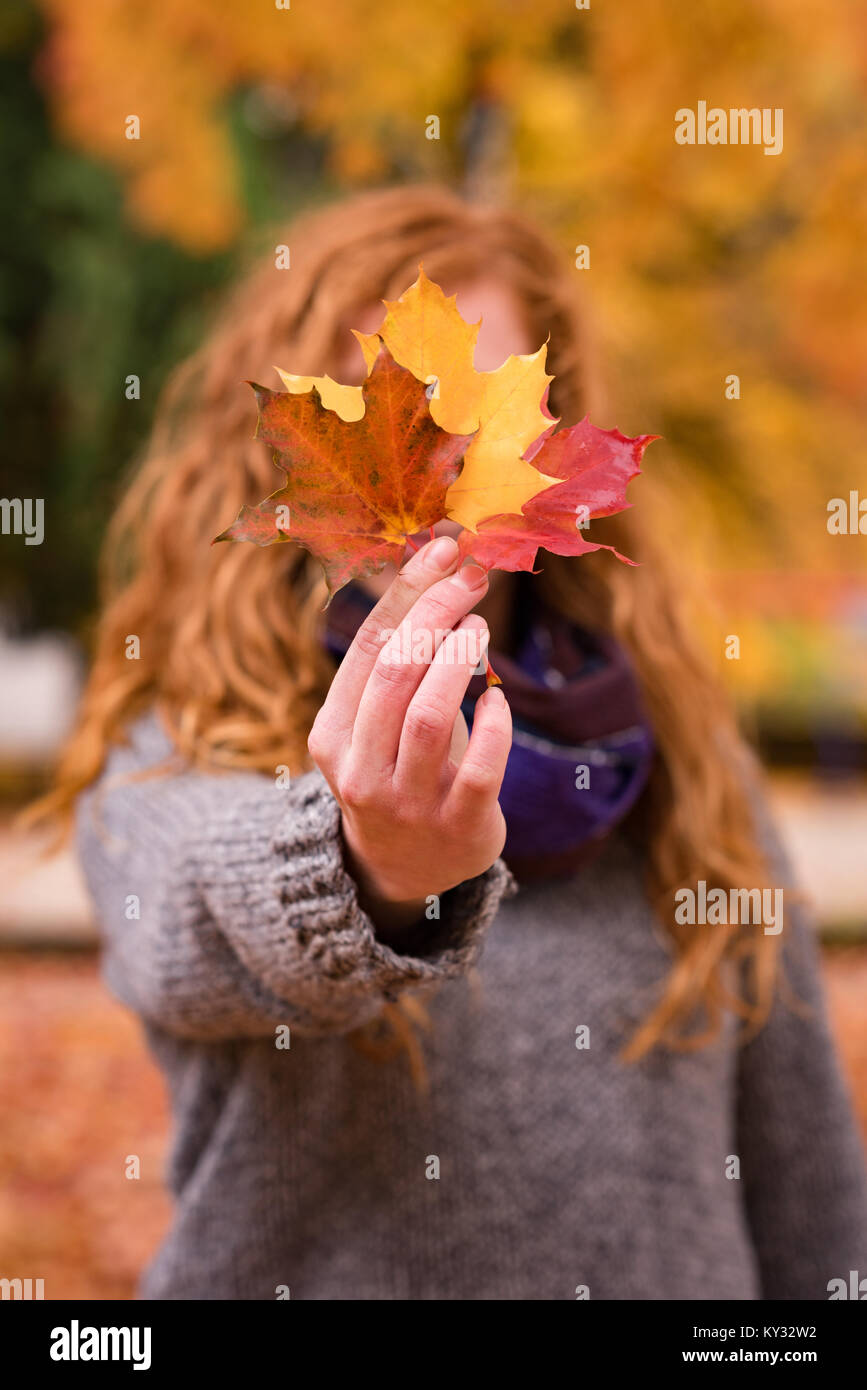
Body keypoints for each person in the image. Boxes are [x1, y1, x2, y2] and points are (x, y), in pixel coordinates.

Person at [41, 184, 867, 1299]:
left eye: (476, 407)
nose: (435, 450)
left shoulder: (674, 753)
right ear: (295, 440)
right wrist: (371, 870)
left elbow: (807, 1176)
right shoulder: (179, 739)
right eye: (394, 403)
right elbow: (189, 913)